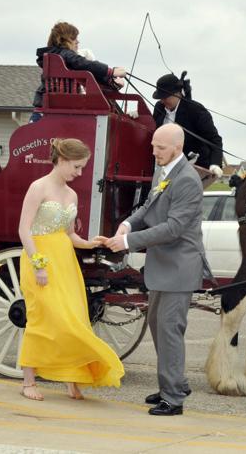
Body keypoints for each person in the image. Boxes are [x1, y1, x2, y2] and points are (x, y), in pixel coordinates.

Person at [104, 123, 205, 416]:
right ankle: (176, 383)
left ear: (177, 147)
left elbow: (173, 229)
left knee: (169, 330)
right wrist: (128, 223)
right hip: (164, 266)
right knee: (157, 326)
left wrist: (126, 241)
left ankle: (173, 399)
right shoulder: (165, 172)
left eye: (160, 147)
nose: (154, 151)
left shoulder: (186, 179)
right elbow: (148, 208)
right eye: (153, 146)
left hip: (179, 266)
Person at [18, 139, 124, 401]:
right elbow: (23, 230)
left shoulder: (71, 194)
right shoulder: (38, 187)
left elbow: (69, 235)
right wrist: (38, 264)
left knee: (73, 318)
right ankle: (28, 381)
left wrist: (90, 242)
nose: (79, 173)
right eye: (77, 166)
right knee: (41, 317)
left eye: (82, 167)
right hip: (39, 258)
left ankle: (72, 377)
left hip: (66, 261)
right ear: (62, 160)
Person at [31, 21, 127, 121]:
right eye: (74, 38)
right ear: (64, 40)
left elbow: (87, 71)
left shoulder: (56, 56)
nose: (77, 42)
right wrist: (111, 72)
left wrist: (110, 80)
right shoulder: (65, 54)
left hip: (41, 110)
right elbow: (83, 64)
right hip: (54, 110)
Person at [152, 72, 224, 178]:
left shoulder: (196, 111)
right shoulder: (159, 108)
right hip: (163, 168)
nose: (162, 101)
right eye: (160, 98)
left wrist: (215, 163)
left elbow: (215, 140)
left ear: (177, 93)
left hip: (191, 169)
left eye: (165, 97)